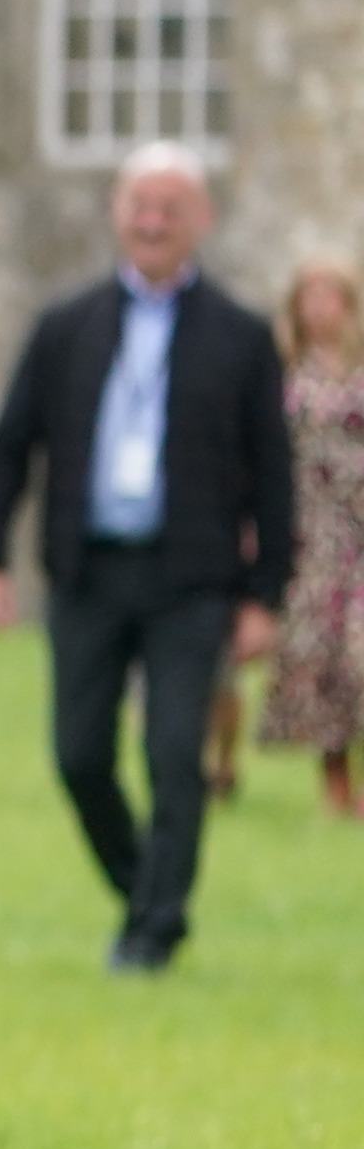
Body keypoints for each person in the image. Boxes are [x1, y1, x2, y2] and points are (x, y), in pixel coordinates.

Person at [0, 144, 297, 974]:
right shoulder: (66, 326)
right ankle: (147, 888)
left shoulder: (241, 336)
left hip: (191, 579)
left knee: (175, 754)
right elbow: (11, 447)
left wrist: (265, 595)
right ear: (117, 212)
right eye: (139, 205)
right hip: (88, 571)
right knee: (79, 754)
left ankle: (153, 931)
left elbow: (274, 473)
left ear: (201, 220)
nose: (153, 222)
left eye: (170, 208)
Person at [251, 261, 364, 818]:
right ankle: (335, 786)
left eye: (329, 296)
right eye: (309, 297)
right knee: (321, 659)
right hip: (310, 534)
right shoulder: (281, 373)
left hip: (359, 526)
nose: (319, 308)